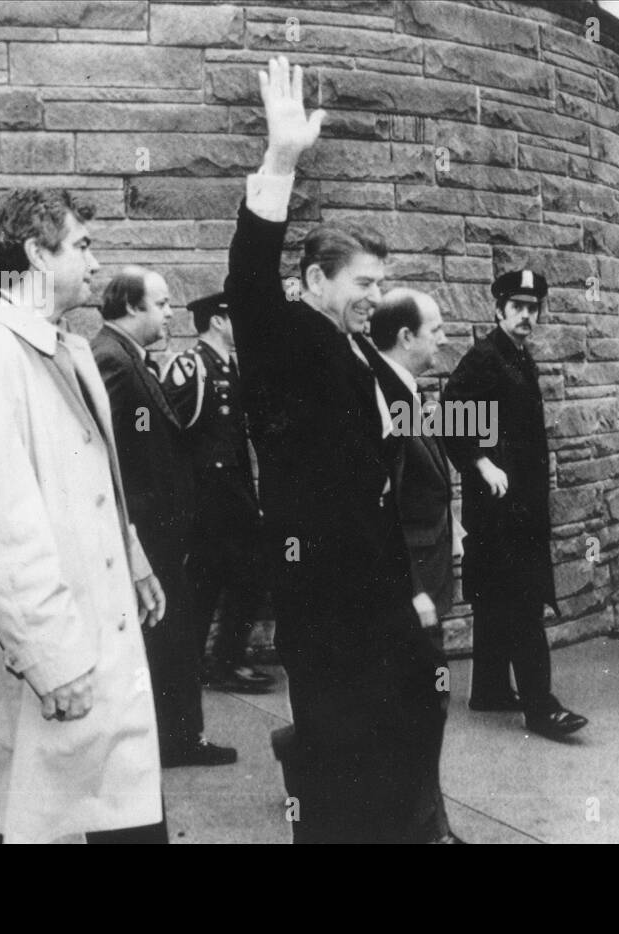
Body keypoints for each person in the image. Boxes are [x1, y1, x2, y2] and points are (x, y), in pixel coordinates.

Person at [0, 189, 166, 843]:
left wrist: (128, 554)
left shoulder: (56, 349)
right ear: (34, 254)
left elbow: (84, 479)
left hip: (73, 643)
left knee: (84, 811)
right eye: (81, 246)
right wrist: (52, 660)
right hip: (28, 658)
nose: (96, 265)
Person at [224, 57, 445, 843]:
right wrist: (280, 161)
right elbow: (249, 278)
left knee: (388, 748)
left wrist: (408, 587)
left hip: (372, 592)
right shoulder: (285, 335)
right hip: (322, 599)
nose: (374, 299)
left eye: (381, 284)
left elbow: (373, 487)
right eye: (361, 283)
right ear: (316, 278)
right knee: (336, 762)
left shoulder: (352, 351)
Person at [92, 268, 236, 768]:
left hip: (161, 529)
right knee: (165, 636)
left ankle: (175, 737)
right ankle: (175, 740)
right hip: (147, 531)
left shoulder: (129, 358)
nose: (171, 312)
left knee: (170, 635)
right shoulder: (112, 360)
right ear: (132, 307)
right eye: (162, 303)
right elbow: (100, 451)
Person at [442, 269, 588, 739]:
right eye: (518, 307)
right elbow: (451, 417)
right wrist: (482, 463)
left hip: (515, 506)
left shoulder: (517, 357)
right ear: (499, 309)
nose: (527, 315)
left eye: (533, 307)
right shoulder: (486, 357)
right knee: (523, 602)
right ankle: (540, 707)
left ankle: (488, 690)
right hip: (501, 507)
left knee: (492, 599)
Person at [367, 287, 462, 844]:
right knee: (421, 705)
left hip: (422, 580)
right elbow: (381, 510)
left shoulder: (401, 392)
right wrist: (412, 589)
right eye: (437, 329)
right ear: (406, 338)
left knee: (426, 704)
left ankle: (430, 824)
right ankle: (423, 830)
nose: (444, 338)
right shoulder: (382, 397)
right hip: (409, 590)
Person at [163, 292, 274, 696]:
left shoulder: (230, 366)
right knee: (207, 581)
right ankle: (208, 663)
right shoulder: (191, 367)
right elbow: (169, 431)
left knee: (236, 576)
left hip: (234, 494)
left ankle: (222, 660)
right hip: (209, 498)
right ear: (217, 321)